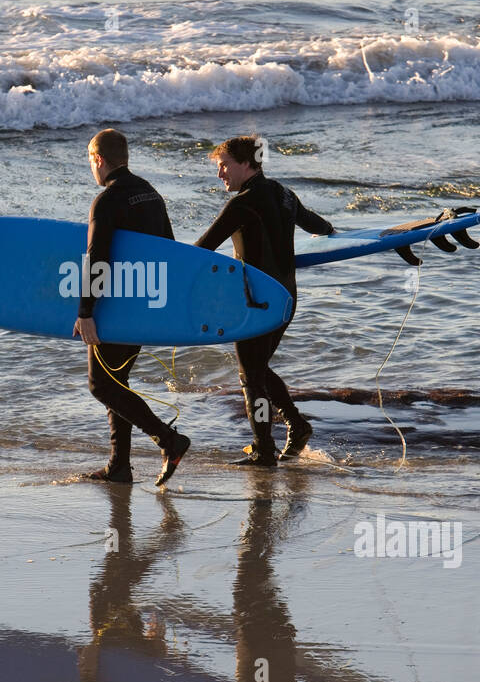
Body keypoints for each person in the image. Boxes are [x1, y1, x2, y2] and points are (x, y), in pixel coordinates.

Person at [195, 135, 334, 467]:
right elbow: (321, 226)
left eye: (224, 165)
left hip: (256, 304)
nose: (220, 174)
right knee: (257, 368)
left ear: (246, 163)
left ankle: (263, 448)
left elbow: (202, 249)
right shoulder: (284, 194)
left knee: (250, 376)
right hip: (287, 299)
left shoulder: (242, 203)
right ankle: (295, 426)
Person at [73, 128, 190, 487]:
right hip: (144, 306)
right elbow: (169, 249)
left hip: (116, 308)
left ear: (99, 160)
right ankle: (119, 467)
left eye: (90, 162)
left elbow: (97, 258)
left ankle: (169, 440)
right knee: (117, 383)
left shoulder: (106, 200)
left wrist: (85, 311)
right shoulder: (150, 194)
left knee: (101, 386)